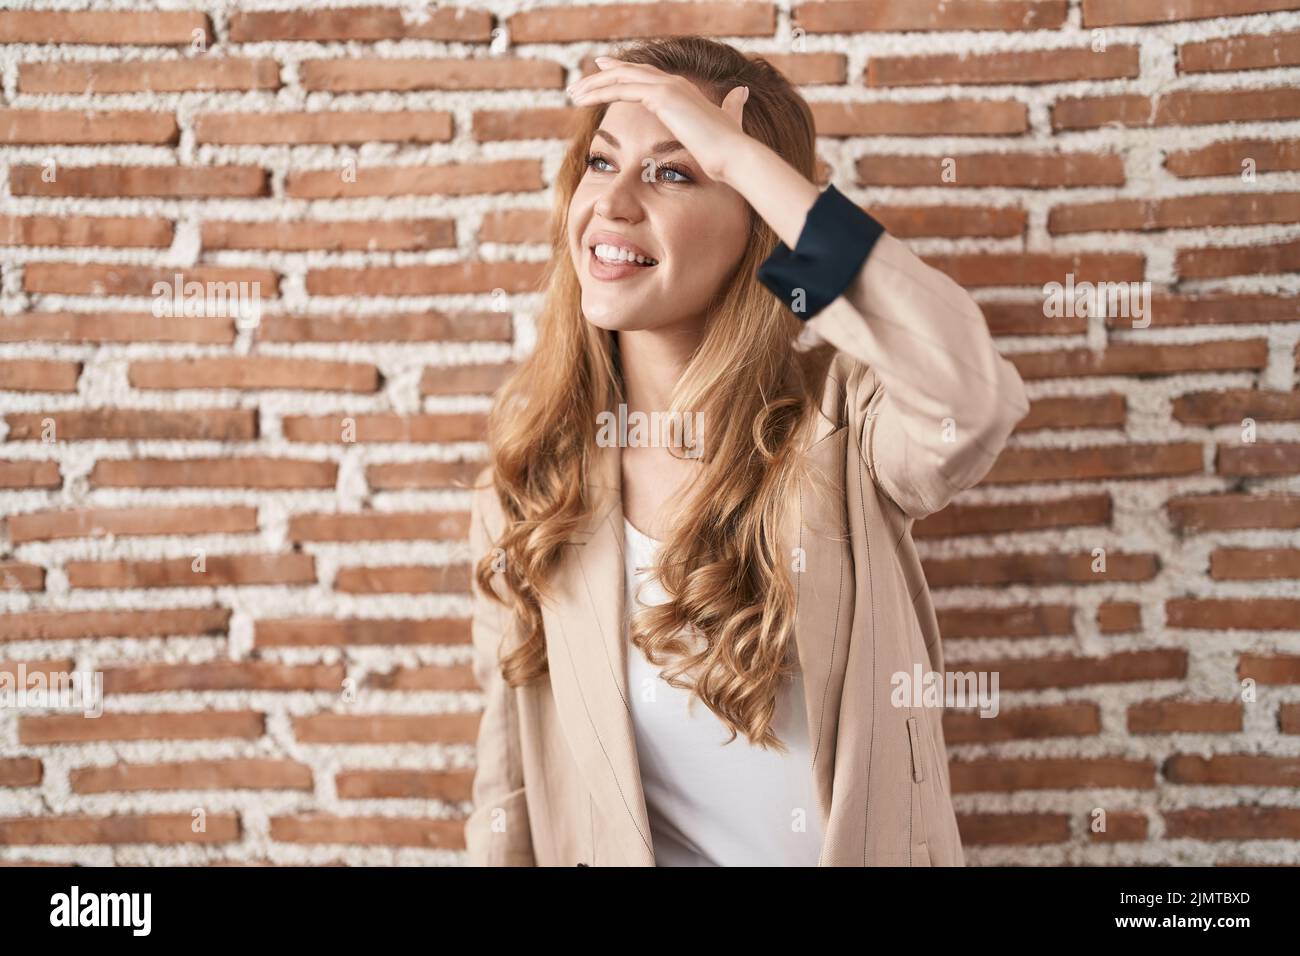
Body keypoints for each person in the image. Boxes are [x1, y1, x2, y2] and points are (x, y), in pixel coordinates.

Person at [464, 36, 1030, 866]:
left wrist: (744, 160)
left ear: (757, 222)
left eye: (675, 171)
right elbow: (509, 788)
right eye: (600, 162)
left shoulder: (846, 422)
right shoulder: (528, 489)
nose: (613, 204)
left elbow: (973, 397)